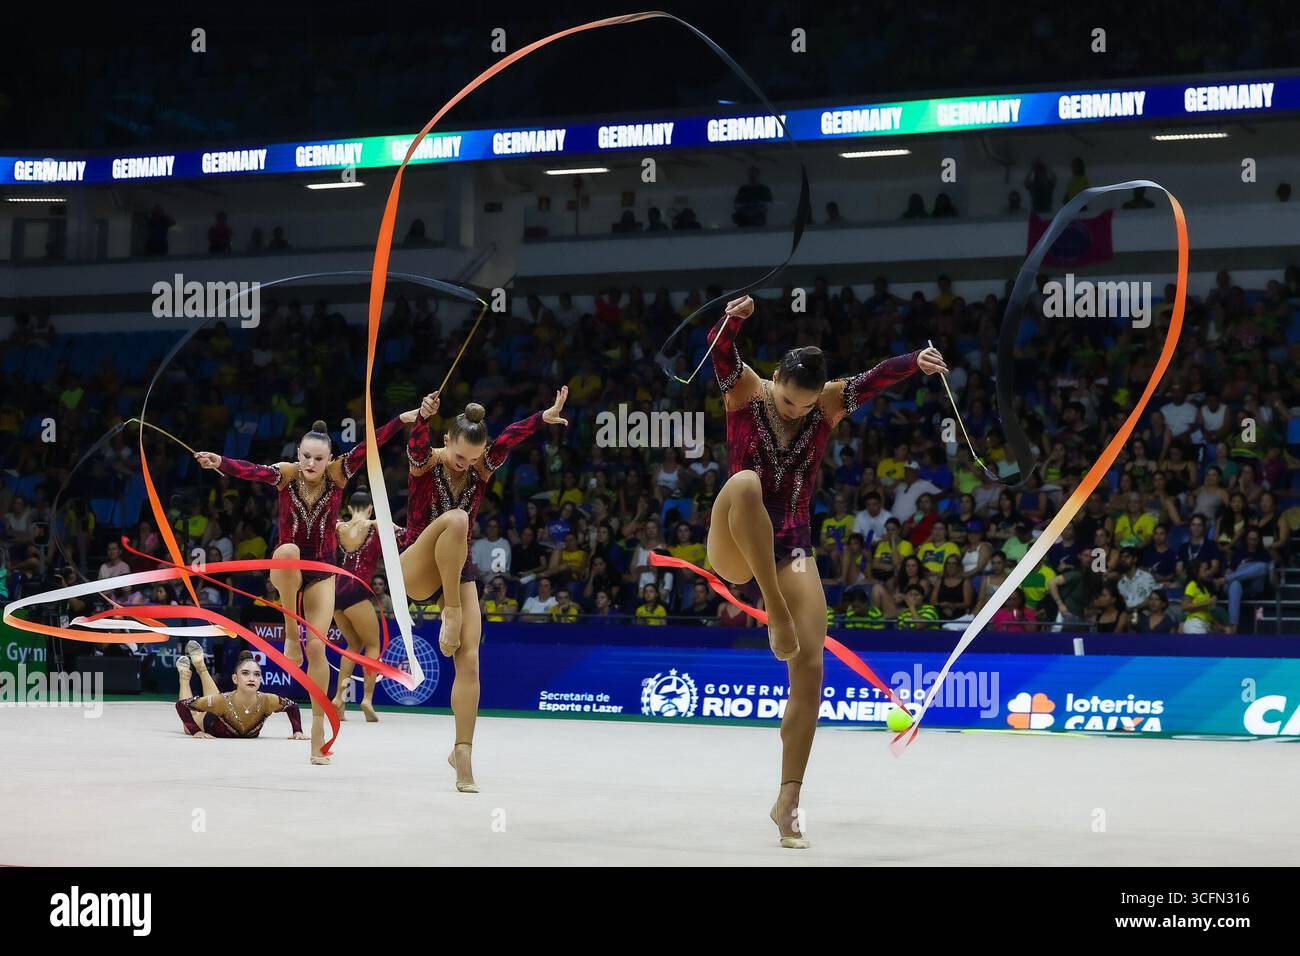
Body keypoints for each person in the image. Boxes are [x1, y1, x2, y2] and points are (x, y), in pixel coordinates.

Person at [699, 293, 944, 848]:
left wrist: (915, 361)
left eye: (806, 406)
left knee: (810, 668)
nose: (795, 410)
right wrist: (733, 319)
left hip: (793, 548)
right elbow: (719, 350)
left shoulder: (828, 403)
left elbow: (875, 378)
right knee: (744, 483)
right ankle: (774, 616)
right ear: (776, 379)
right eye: (788, 399)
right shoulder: (744, 389)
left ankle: (788, 798)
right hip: (733, 540)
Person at [194, 408, 415, 763]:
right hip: (288, 568)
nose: (311, 463)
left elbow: (369, 446)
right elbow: (251, 470)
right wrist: (219, 460)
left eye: (318, 458)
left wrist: (401, 422)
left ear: (329, 458)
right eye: (306, 456)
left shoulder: (338, 475)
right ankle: (289, 632)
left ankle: (317, 735)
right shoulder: (285, 475)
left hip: (322, 573)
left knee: (318, 649)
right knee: (288, 549)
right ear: (298, 454)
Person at [402, 388, 568, 792]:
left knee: (471, 661)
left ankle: (462, 751)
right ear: (447, 442)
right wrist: (423, 416)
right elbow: (416, 443)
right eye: (461, 457)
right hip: (418, 565)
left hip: (458, 571)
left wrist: (540, 418)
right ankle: (452, 612)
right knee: (458, 519)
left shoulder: (481, 467)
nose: (467, 466)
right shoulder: (427, 462)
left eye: (475, 460)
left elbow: (509, 437)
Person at [329, 491, 395, 723]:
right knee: (373, 645)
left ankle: (339, 698)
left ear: (349, 507)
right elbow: (408, 538)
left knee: (353, 644)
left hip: (336, 591)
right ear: (370, 508)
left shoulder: (338, 527)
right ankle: (367, 698)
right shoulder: (377, 525)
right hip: (357, 590)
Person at [176, 645, 305, 740]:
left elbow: (292, 706)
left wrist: (297, 731)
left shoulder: (268, 700)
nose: (251, 678)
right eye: (245, 673)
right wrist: (196, 731)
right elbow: (182, 705)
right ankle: (185, 676)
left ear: (260, 679)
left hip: (218, 706)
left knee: (214, 699)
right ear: (235, 679)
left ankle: (201, 667)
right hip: (208, 722)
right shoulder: (222, 701)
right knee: (192, 717)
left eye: (256, 674)